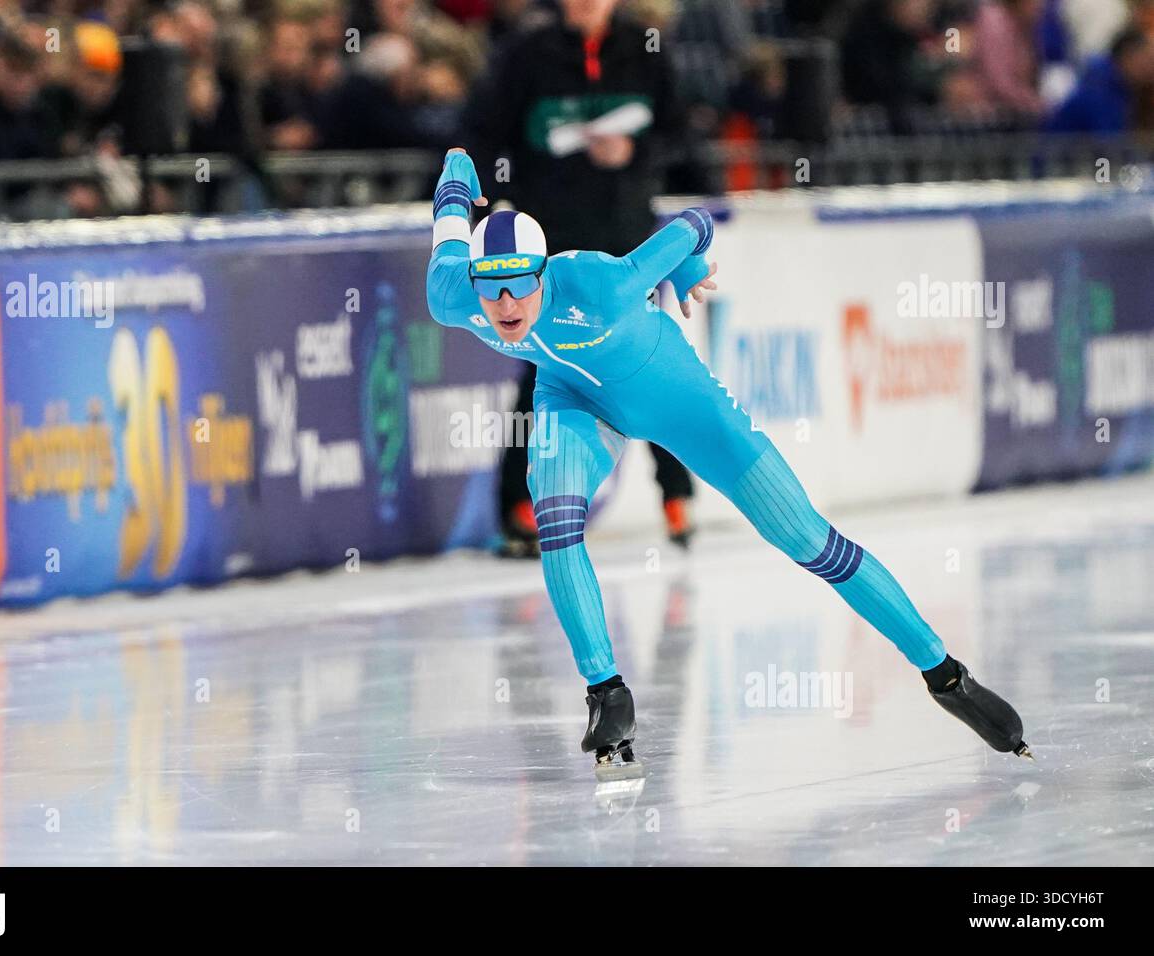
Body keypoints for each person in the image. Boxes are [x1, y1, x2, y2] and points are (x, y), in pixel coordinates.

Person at [426, 147, 1032, 776]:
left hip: (680, 402)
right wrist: (456, 178)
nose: (504, 305)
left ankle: (946, 675)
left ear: (542, 272)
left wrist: (684, 268)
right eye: (489, 288)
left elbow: (695, 220)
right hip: (572, 398)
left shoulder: (603, 285)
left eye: (518, 284)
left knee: (808, 541)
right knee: (555, 520)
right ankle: (607, 693)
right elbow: (446, 232)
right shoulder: (454, 296)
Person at [460, 0, 703, 557]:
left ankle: (675, 495)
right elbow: (479, 132)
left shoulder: (645, 50)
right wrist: (487, 204)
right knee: (544, 370)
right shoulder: (525, 55)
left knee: (646, 362)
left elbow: (683, 136)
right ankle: (523, 508)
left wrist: (634, 150)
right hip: (551, 244)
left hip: (626, 245)